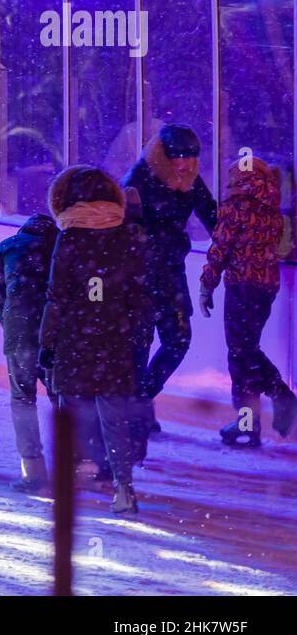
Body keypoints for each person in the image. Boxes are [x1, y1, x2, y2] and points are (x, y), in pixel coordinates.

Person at [39, 166, 152, 515]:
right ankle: (123, 487)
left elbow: (56, 297)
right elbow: (139, 294)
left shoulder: (69, 238)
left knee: (68, 412)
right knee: (114, 419)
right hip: (114, 339)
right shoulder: (129, 236)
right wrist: (139, 334)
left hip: (76, 339)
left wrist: (47, 342)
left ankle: (64, 480)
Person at [122, 124, 217, 428]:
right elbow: (123, 230)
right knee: (140, 344)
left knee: (178, 339)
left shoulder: (189, 181)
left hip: (171, 273)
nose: (186, 164)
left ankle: (141, 400)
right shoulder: (137, 182)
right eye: (179, 157)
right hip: (139, 275)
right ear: (163, 156)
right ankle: (134, 410)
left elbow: (213, 217)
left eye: (192, 158)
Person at [200, 157, 296, 447]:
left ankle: (265, 407)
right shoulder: (272, 210)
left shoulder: (236, 206)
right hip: (266, 287)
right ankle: (252, 419)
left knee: (240, 353)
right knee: (245, 350)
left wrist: (207, 284)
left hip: (242, 285)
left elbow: (220, 248)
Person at [0, 213, 59, 491]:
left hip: (18, 331)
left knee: (22, 399)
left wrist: (10, 325)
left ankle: (32, 470)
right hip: (53, 330)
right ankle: (68, 465)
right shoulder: (58, 246)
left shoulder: (7, 247)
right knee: (60, 397)